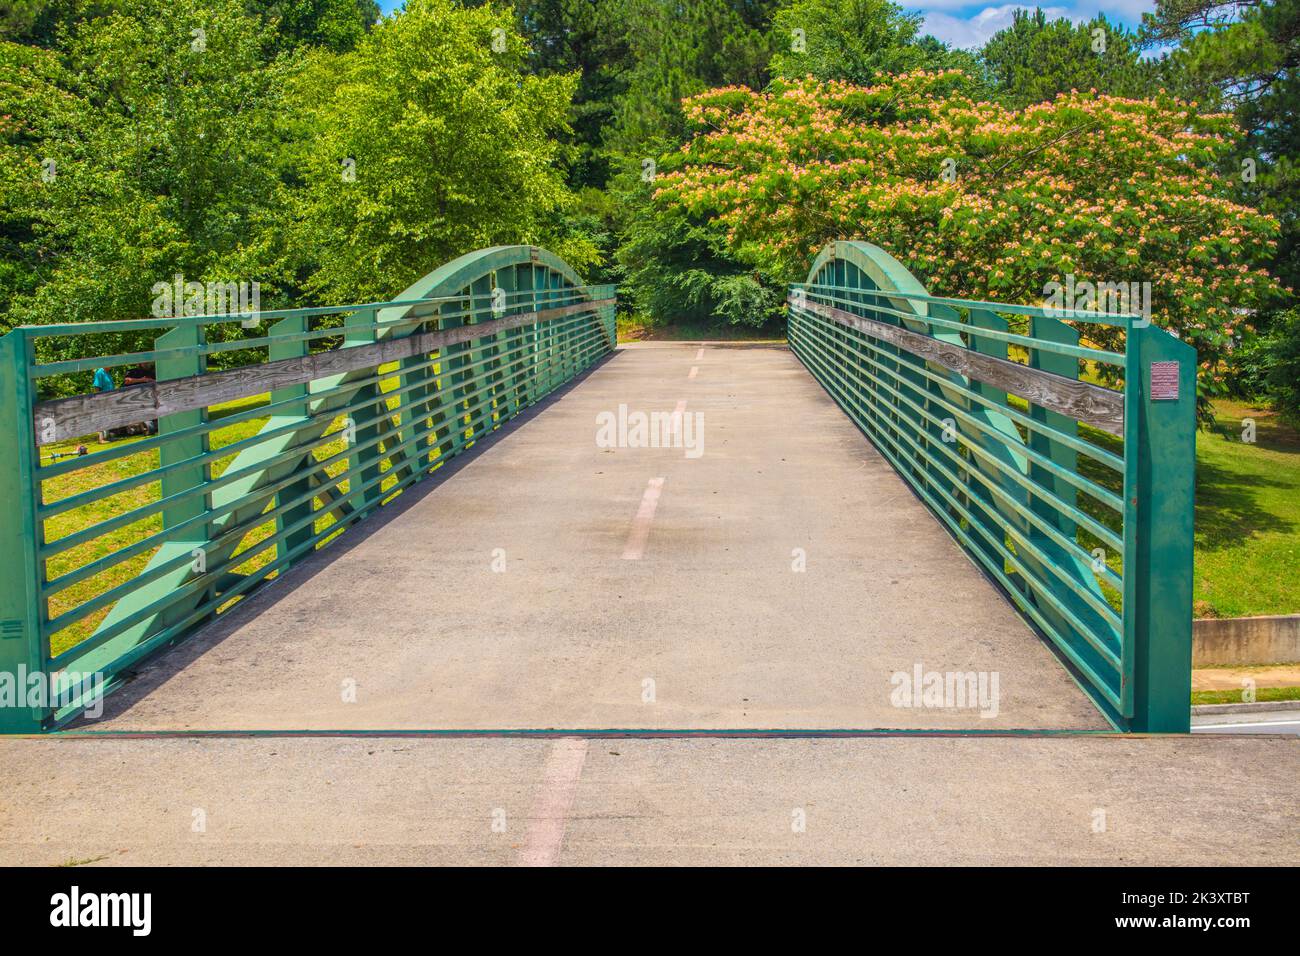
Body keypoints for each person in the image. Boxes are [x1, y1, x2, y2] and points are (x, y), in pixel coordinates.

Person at [92, 367, 113, 443]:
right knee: (102, 418)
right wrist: (98, 399)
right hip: (102, 399)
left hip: (109, 399)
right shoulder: (100, 372)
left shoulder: (107, 373)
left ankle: (107, 437)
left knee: (108, 418)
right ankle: (101, 439)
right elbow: (96, 387)